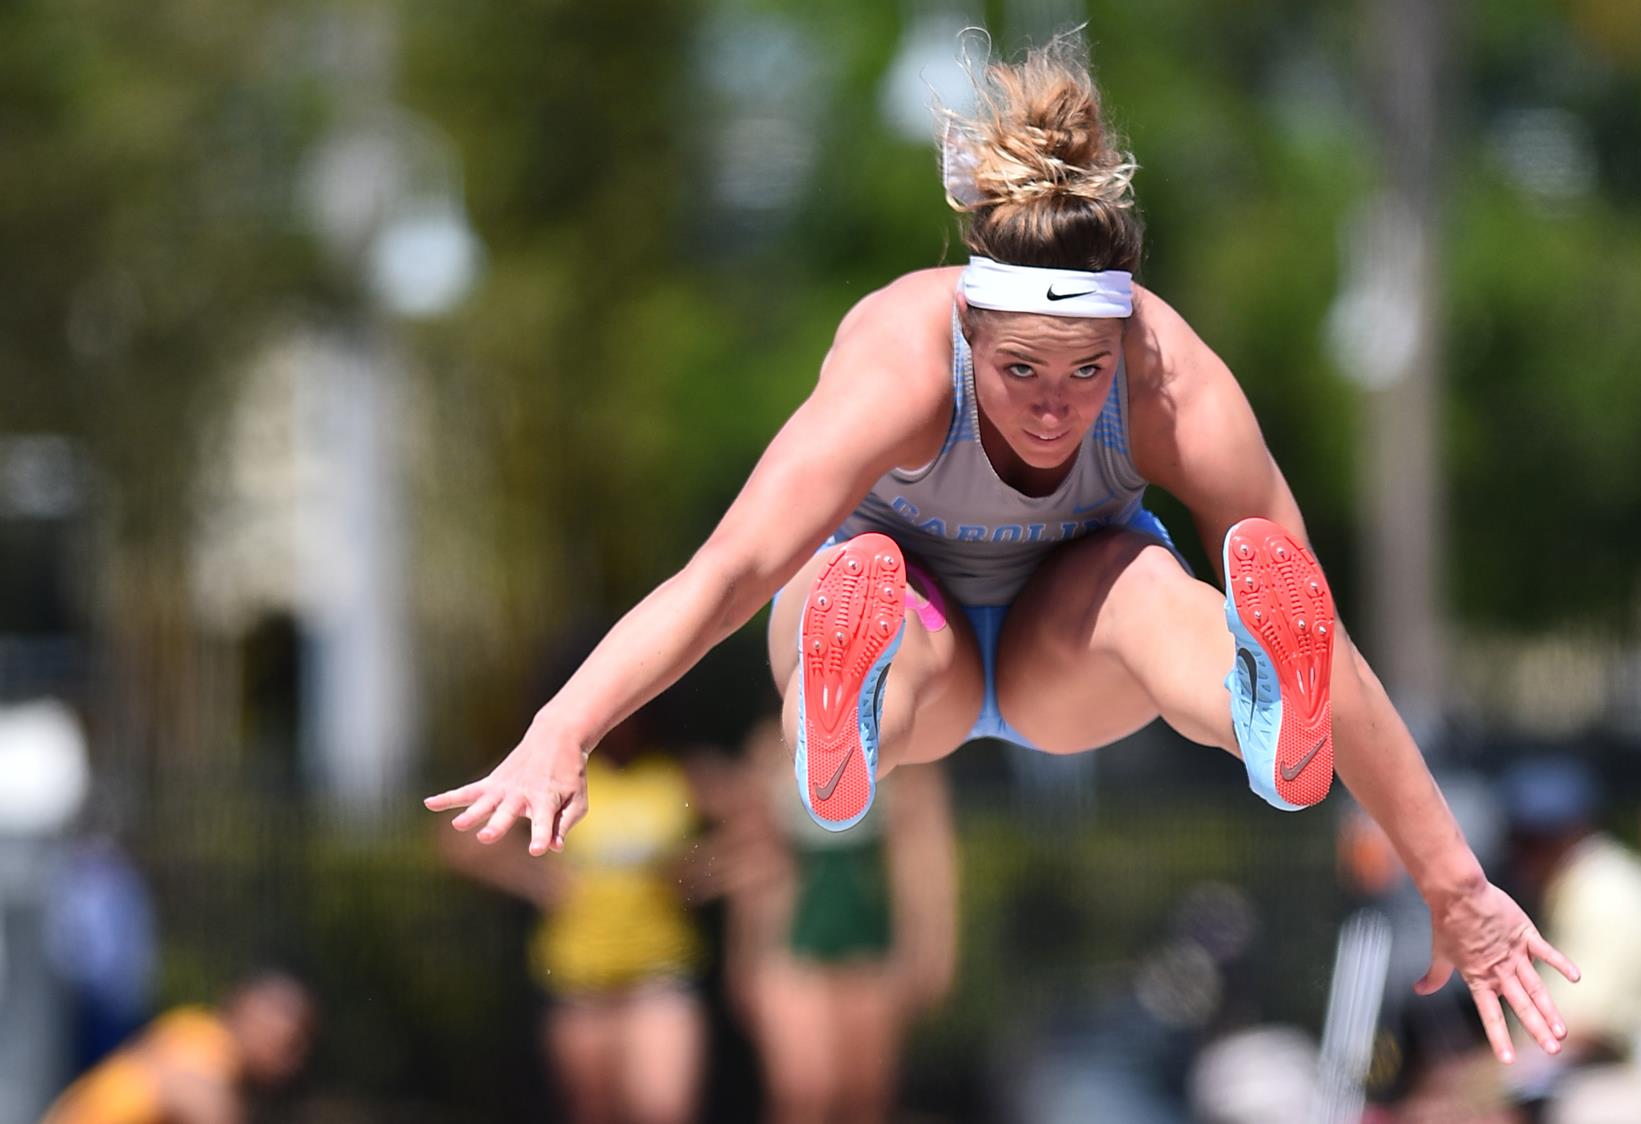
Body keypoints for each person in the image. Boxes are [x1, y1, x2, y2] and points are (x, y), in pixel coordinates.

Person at [426, 29, 1576, 1064]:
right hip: (904, 605)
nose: (1051, 409)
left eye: (1083, 373)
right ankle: (853, 702)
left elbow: (1335, 644)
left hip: (1058, 643)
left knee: (1148, 584)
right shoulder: (893, 364)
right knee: (845, 579)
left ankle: (1252, 703)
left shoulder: (1171, 379)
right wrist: (564, 726)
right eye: (1019, 370)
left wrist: (1453, 881)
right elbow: (725, 570)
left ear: (1119, 336)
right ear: (964, 327)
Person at [440, 650, 738, 1124]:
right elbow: (458, 843)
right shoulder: (555, 773)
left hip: (660, 972)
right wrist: (533, 879)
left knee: (664, 1107)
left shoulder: (677, 772)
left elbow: (761, 828)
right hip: (579, 977)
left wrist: (697, 871)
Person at [726, 719, 959, 1124]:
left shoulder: (905, 751)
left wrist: (934, 945)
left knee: (864, 1096)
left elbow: (927, 858)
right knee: (802, 1094)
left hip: (871, 936)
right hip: (791, 939)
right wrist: (742, 951)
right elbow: (752, 853)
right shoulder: (769, 748)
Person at [1498, 759, 1641, 1124]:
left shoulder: (1607, 890)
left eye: (1544, 838)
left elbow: (1576, 1033)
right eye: (1523, 839)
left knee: (1593, 1109)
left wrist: (1474, 1085)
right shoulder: (1578, 888)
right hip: (1629, 1090)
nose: (1530, 855)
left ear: (1579, 830)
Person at [41, 971, 314, 1124]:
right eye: (290, 1042)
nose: (296, 1060)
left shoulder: (189, 1027)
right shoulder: (208, 1052)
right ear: (246, 1011)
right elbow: (188, 1088)